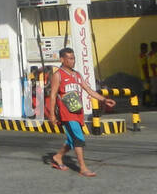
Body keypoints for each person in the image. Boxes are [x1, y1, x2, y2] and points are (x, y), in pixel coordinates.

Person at [48, 48, 114, 177]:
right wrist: (52, 115)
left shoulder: (77, 75)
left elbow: (89, 90)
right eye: (70, 58)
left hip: (78, 112)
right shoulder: (58, 75)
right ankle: (83, 168)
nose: (73, 61)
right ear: (62, 59)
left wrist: (104, 100)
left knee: (72, 139)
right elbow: (53, 95)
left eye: (73, 58)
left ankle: (58, 156)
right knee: (78, 139)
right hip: (66, 114)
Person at [145, 41, 157, 106]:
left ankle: (156, 102)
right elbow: (153, 66)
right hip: (155, 75)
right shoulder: (152, 56)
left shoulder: (156, 55)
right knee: (155, 90)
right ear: (155, 47)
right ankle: (154, 102)